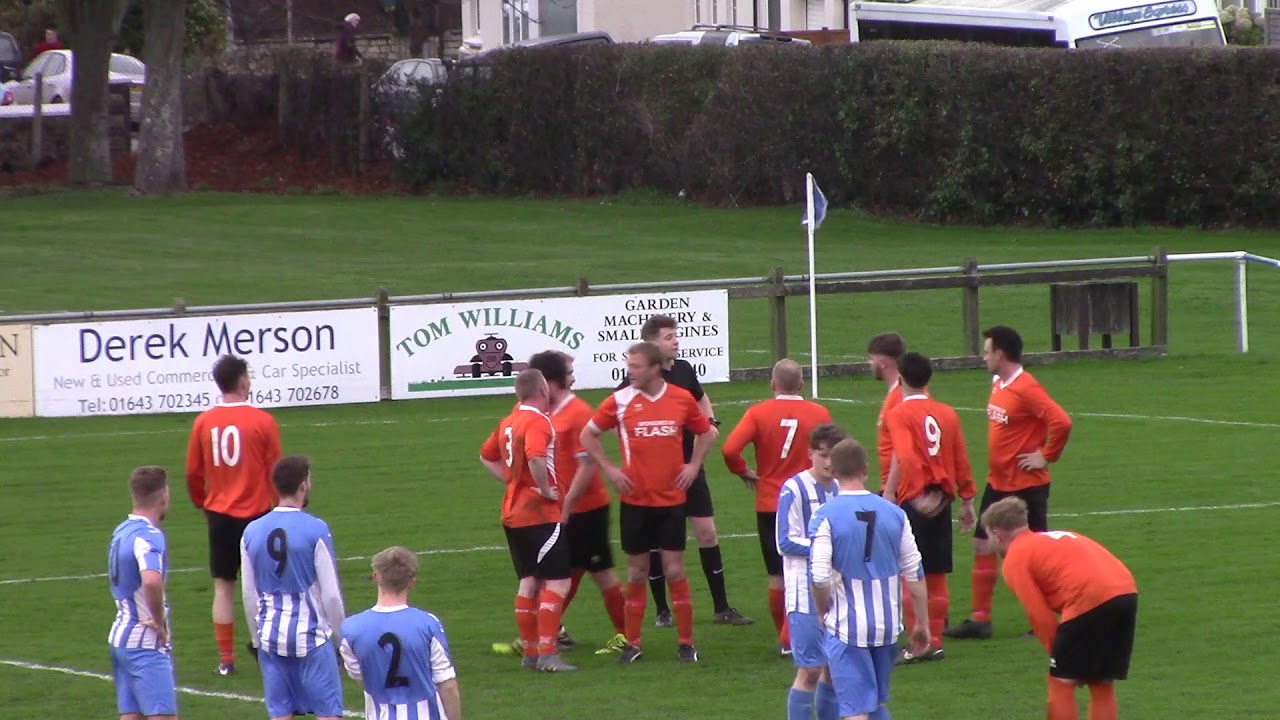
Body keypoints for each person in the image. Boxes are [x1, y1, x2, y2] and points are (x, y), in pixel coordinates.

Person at [583, 341, 718, 663]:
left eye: (637, 366)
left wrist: (694, 465)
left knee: (674, 570)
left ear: (655, 368)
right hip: (635, 500)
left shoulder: (680, 399)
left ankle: (686, 642)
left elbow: (708, 432)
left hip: (671, 501)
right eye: (629, 366)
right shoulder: (619, 400)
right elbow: (587, 435)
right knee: (637, 571)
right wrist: (610, 470)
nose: (630, 372)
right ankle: (634, 643)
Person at [617, 314, 751, 628]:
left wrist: (711, 424)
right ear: (651, 344)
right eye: (668, 337)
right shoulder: (632, 385)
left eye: (675, 336)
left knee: (707, 533)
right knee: (655, 544)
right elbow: (615, 425)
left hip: (690, 469)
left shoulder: (684, 370)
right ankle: (662, 611)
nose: (676, 341)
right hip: (654, 478)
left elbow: (702, 399)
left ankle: (722, 607)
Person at [947, 326, 1073, 641]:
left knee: (1033, 555)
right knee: (982, 543)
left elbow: (1061, 421)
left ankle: (1046, 619)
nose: (983, 356)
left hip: (1026, 485)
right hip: (999, 481)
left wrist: (1046, 455)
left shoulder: (1026, 387)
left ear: (1000, 354)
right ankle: (980, 620)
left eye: (987, 351)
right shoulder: (998, 383)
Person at [980, 498, 1138, 720]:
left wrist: (1059, 656)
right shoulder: (1053, 537)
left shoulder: (1016, 558)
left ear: (997, 534)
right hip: (1125, 592)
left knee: (1061, 681)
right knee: (1101, 681)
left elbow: (1039, 615)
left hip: (1090, 597)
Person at [807, 439, 930, 720]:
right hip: (887, 626)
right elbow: (915, 572)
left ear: (834, 471)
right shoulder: (896, 513)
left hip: (847, 627)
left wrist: (821, 610)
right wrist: (922, 623)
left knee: (856, 709)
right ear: (865, 469)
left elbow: (819, 576)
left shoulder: (825, 516)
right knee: (874, 703)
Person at [721, 358, 832, 651]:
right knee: (816, 565)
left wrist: (742, 469)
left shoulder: (758, 413)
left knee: (778, 573)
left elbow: (730, 448)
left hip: (772, 502)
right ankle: (816, 630)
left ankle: (785, 638)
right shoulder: (819, 412)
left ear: (773, 384)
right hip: (810, 501)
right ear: (802, 385)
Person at [186, 354, 282, 675]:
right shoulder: (263, 421)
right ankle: (267, 650)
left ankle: (226, 661)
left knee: (223, 587)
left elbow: (192, 473)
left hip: (219, 516)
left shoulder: (203, 422)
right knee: (264, 588)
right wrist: (278, 509)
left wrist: (204, 503)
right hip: (257, 515)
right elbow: (275, 472)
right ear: (242, 381)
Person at [881, 352, 977, 664]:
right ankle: (934, 641)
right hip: (943, 499)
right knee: (935, 574)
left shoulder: (898, 414)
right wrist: (966, 499)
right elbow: (961, 456)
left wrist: (914, 492)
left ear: (901, 379)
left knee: (911, 572)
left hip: (916, 500)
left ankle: (917, 643)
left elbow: (906, 456)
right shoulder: (947, 413)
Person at [530, 351, 628, 654]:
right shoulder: (547, 412)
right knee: (563, 573)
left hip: (586, 509)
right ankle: (545, 634)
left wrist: (568, 503)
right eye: (569, 371)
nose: (573, 376)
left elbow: (588, 465)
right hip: (562, 509)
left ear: (546, 381)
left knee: (601, 573)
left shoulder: (578, 413)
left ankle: (627, 636)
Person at [479, 369, 576, 672]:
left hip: (513, 513)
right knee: (558, 580)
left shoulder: (509, 421)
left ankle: (531, 654)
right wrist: (546, 491)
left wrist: (512, 484)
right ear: (543, 390)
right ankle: (548, 653)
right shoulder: (537, 421)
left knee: (529, 580)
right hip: (538, 514)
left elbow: (486, 455)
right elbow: (536, 458)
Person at [240, 456, 346, 720]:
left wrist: (256, 638)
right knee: (328, 713)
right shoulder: (316, 529)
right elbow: (331, 594)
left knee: (281, 713)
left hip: (270, 636)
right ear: (303, 485)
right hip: (311, 637)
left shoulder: (251, 531)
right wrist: (342, 640)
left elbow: (248, 594)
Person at [340, 546, 462, 720]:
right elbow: (448, 685)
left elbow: (361, 676)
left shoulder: (351, 629)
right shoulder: (428, 624)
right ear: (411, 582)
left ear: (376, 577)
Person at [775, 424, 845, 720]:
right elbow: (784, 541)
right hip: (803, 593)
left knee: (833, 670)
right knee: (811, 670)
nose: (829, 463)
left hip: (839, 592)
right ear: (811, 454)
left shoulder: (844, 488)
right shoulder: (794, 489)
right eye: (823, 455)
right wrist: (825, 547)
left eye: (834, 456)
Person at [108, 466, 178, 720]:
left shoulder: (121, 531)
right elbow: (151, 581)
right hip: (145, 643)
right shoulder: (149, 536)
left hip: (120, 640)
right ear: (164, 495)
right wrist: (158, 621)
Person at [867, 333, 908, 494]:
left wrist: (890, 490)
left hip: (899, 487)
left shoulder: (900, 396)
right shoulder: (897, 392)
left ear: (882, 362)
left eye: (872, 359)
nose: (870, 364)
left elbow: (901, 448)